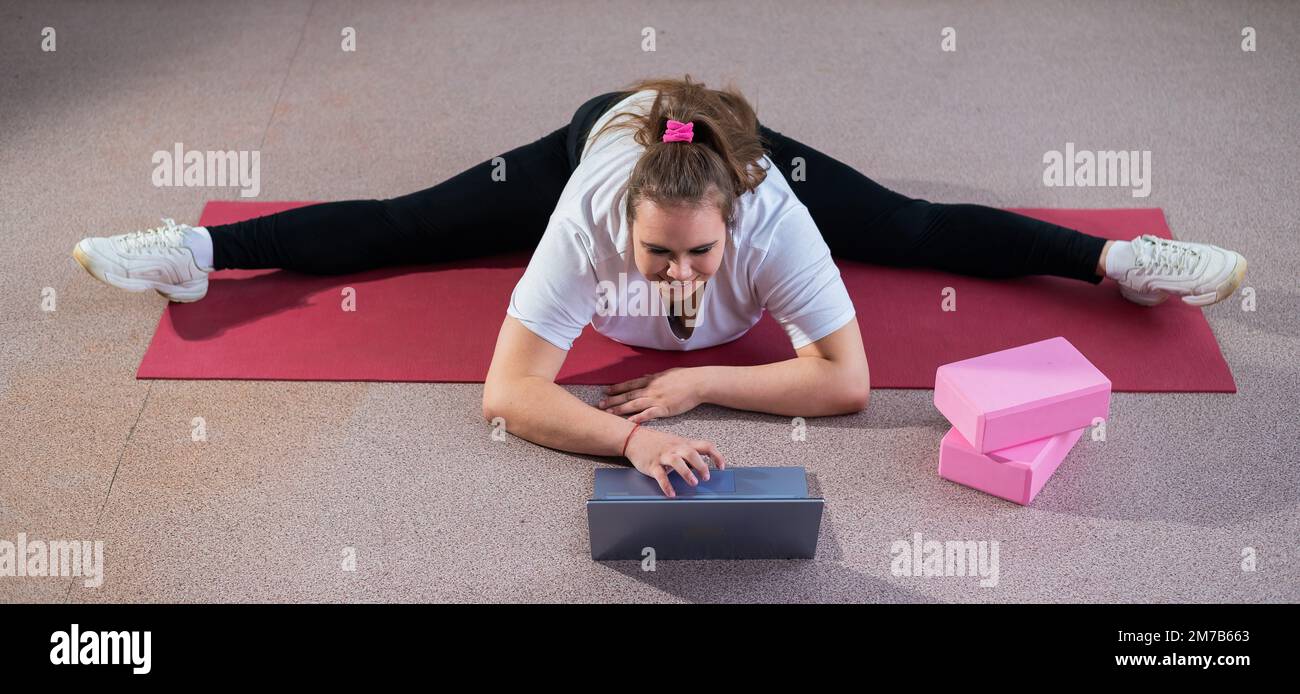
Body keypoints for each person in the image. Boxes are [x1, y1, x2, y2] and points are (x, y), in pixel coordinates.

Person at [72, 75, 1248, 497]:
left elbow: (844, 385)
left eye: (702, 252)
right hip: (608, 124)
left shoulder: (771, 208)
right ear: (618, 219)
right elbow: (506, 391)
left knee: (905, 223)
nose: (683, 277)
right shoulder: (583, 214)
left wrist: (699, 393)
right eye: (660, 253)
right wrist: (624, 444)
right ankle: (199, 252)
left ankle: (1124, 266)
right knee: (415, 223)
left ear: (737, 215)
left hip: (729, 139)